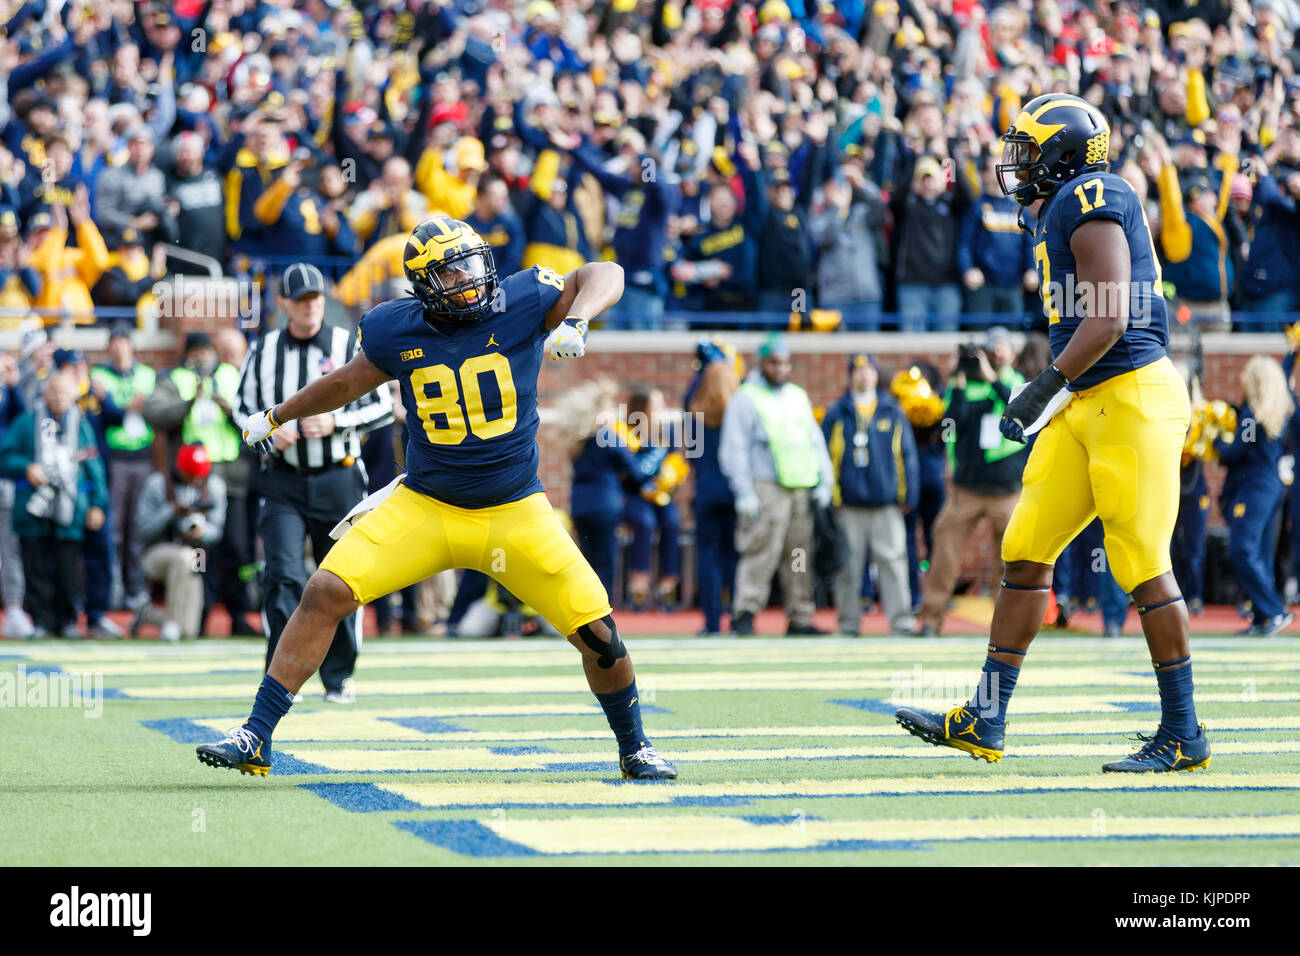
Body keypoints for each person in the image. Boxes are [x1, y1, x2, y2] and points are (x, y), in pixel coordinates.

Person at [197, 217, 676, 781]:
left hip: (515, 510)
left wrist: (576, 319)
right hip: (425, 505)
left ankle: (635, 746)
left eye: (473, 262)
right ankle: (257, 735)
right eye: (452, 271)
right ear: (424, 285)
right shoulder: (391, 328)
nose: (471, 279)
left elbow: (606, 270)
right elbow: (349, 382)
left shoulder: (522, 299)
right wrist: (278, 414)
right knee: (325, 590)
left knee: (597, 631)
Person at [897, 94, 1210, 773]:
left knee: (1138, 562)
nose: (1019, 165)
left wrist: (1044, 385)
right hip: (1087, 399)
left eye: (1030, 152)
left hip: (1129, 395)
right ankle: (986, 714)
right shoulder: (1060, 203)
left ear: (1065, 156)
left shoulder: (1092, 192)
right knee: (1026, 545)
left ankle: (1184, 730)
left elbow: (1110, 315)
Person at [236, 262, 393, 702]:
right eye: (302, 300)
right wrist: (269, 433)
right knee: (282, 574)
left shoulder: (349, 344)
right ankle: (283, 673)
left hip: (339, 477)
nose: (311, 307)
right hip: (283, 480)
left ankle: (339, 675)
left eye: (317, 298)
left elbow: (382, 407)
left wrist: (337, 421)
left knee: (339, 579)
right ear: (283, 304)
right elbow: (242, 412)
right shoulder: (262, 350)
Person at [718, 332, 834, 636]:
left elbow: (814, 440)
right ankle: (745, 610)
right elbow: (735, 448)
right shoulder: (746, 398)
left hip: (801, 485)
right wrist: (743, 490)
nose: (780, 368)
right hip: (766, 486)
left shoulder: (796, 395)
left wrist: (825, 481)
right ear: (762, 363)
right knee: (760, 550)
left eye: (785, 363)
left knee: (799, 555)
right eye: (774, 362)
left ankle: (800, 615)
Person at [916, 328, 1027, 635]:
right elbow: (951, 425)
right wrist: (960, 380)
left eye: (1002, 348)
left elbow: (1018, 411)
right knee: (945, 552)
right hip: (966, 490)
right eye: (991, 348)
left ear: (1012, 355)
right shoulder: (964, 386)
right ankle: (930, 619)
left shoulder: (1016, 383)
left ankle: (1007, 628)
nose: (996, 353)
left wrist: (992, 378)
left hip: (1006, 490)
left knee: (1009, 560)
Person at [0, 371, 107, 639]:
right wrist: (27, 467)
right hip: (32, 508)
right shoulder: (26, 423)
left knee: (68, 568)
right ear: (44, 393)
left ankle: (68, 620)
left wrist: (98, 504)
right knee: (35, 569)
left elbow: (95, 468)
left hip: (70, 509)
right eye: (54, 391)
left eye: (64, 392)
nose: (59, 397)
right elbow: (5, 459)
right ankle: (41, 621)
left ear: (73, 395)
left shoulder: (81, 426)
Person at [821, 353, 919, 635]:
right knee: (848, 568)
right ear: (850, 375)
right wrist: (831, 499)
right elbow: (826, 457)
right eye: (859, 370)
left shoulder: (892, 410)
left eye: (869, 370)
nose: (864, 375)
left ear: (876, 376)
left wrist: (907, 496)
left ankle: (901, 622)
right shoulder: (838, 412)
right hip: (849, 506)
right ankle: (848, 623)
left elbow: (907, 456)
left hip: (886, 504)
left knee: (893, 563)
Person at [1215, 356, 1293, 636]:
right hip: (1270, 485)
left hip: (1256, 487)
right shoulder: (1275, 412)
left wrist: (1213, 440)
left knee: (1242, 548)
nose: (1241, 380)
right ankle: (1263, 616)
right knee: (1257, 551)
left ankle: (1273, 611)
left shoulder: (1251, 415)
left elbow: (1233, 453)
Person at [91, 324, 157, 611]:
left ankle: (137, 590)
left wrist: (122, 404)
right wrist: (125, 406)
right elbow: (110, 414)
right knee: (115, 528)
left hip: (143, 456)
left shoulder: (147, 374)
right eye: (114, 342)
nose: (119, 348)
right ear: (109, 348)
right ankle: (114, 589)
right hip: (116, 458)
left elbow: (154, 410)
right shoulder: (99, 375)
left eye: (123, 342)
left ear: (132, 346)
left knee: (137, 528)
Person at [135, 444, 227, 642]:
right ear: (180, 470)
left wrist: (202, 532)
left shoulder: (215, 486)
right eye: (191, 474)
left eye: (200, 474)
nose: (196, 479)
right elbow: (143, 529)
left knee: (189, 631)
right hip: (157, 552)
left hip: (197, 555)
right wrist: (170, 513)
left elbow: (217, 531)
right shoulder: (157, 483)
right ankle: (172, 624)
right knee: (185, 557)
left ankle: (149, 615)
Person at [684, 339, 741, 636]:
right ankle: (737, 619)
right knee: (734, 556)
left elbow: (691, 456)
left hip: (706, 491)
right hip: (735, 491)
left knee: (707, 557)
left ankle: (711, 622)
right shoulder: (737, 410)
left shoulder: (695, 412)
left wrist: (703, 371)